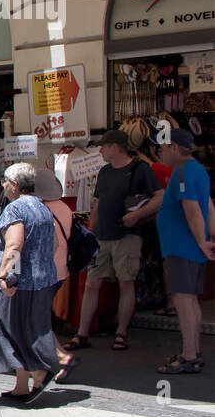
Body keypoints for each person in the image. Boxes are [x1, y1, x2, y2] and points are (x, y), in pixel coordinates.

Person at [67, 129, 164, 352]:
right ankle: (82, 333)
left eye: (104, 146)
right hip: (102, 236)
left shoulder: (140, 169)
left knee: (125, 282)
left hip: (127, 235)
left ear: (115, 147)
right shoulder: (104, 172)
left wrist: (138, 215)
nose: (100, 150)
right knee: (92, 283)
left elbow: (160, 195)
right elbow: (98, 204)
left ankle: (121, 332)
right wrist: (89, 233)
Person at [0, 162, 61, 404]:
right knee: (27, 330)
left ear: (14, 185)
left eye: (5, 181)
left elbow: (14, 245)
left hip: (18, 283)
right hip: (42, 280)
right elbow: (54, 245)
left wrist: (6, 276)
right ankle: (21, 385)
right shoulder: (43, 208)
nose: (3, 186)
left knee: (5, 330)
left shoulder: (15, 209)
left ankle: (40, 373)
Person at [155, 129, 215, 374]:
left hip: (182, 246)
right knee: (188, 299)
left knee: (183, 299)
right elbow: (209, 207)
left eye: (162, 148)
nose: (160, 153)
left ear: (175, 149)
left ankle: (189, 355)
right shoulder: (199, 170)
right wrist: (209, 238)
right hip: (191, 246)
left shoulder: (182, 173)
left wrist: (202, 241)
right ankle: (193, 352)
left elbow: (193, 209)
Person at [35, 169, 79, 384]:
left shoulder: (41, 210)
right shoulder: (64, 208)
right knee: (39, 317)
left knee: (36, 319)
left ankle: (62, 357)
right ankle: (53, 358)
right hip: (61, 270)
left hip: (45, 270)